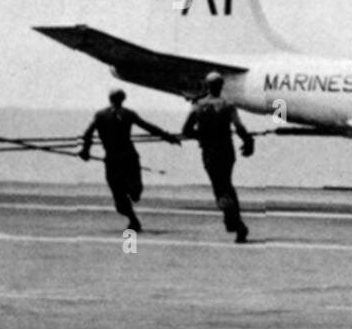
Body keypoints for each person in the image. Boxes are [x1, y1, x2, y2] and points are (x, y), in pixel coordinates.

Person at [79, 88, 181, 232]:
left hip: (113, 159)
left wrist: (85, 151)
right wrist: (168, 137)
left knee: (119, 195)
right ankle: (134, 215)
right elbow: (148, 127)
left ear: (110, 99)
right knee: (131, 189)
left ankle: (133, 216)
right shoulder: (128, 114)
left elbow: (87, 134)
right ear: (123, 99)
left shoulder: (100, 115)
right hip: (128, 157)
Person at [182, 72, 255, 243]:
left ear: (207, 86)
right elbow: (239, 127)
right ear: (221, 86)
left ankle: (234, 221)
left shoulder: (198, 106)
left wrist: (201, 135)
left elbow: (186, 130)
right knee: (227, 184)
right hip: (226, 151)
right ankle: (235, 222)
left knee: (220, 187)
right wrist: (249, 142)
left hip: (209, 151)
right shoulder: (228, 105)